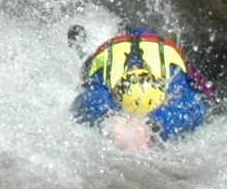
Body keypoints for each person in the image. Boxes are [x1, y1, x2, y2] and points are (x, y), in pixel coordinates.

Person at [73, 26, 211, 149]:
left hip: (152, 45)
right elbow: (86, 101)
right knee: (87, 67)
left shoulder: (171, 78)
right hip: (116, 48)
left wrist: (155, 125)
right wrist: (110, 118)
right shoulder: (107, 79)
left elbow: (196, 106)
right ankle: (82, 48)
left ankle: (86, 45)